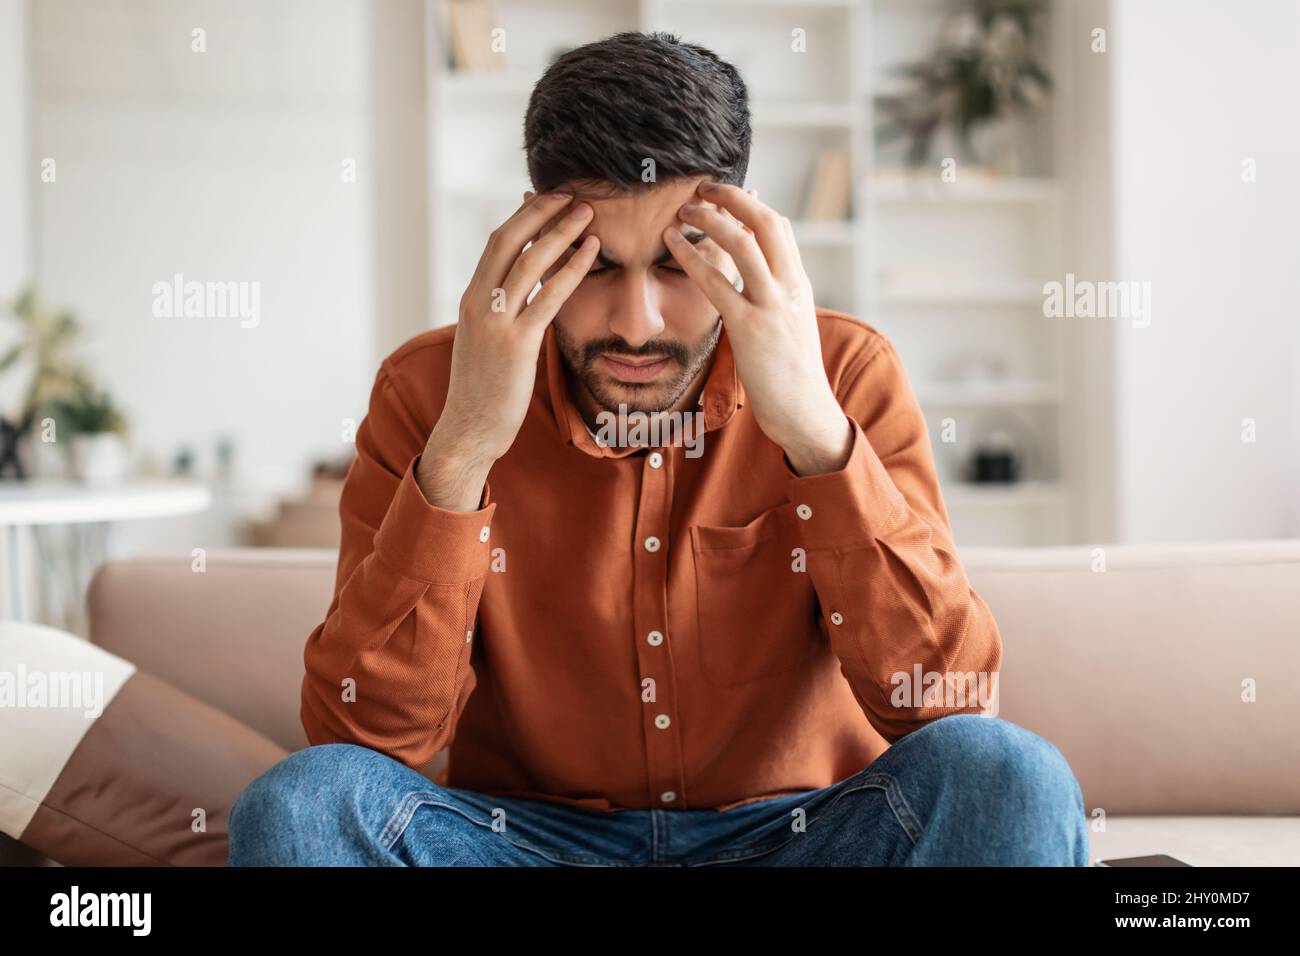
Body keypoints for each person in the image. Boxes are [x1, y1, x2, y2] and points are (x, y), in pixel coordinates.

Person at [229, 31, 1088, 867]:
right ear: (531, 247)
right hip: (521, 842)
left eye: (678, 265)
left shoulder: (847, 372)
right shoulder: (427, 393)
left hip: (800, 836)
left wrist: (816, 439)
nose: (636, 325)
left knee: (1008, 774)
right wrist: (462, 452)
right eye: (597, 267)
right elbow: (367, 741)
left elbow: (950, 704)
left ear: (744, 242)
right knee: (303, 800)